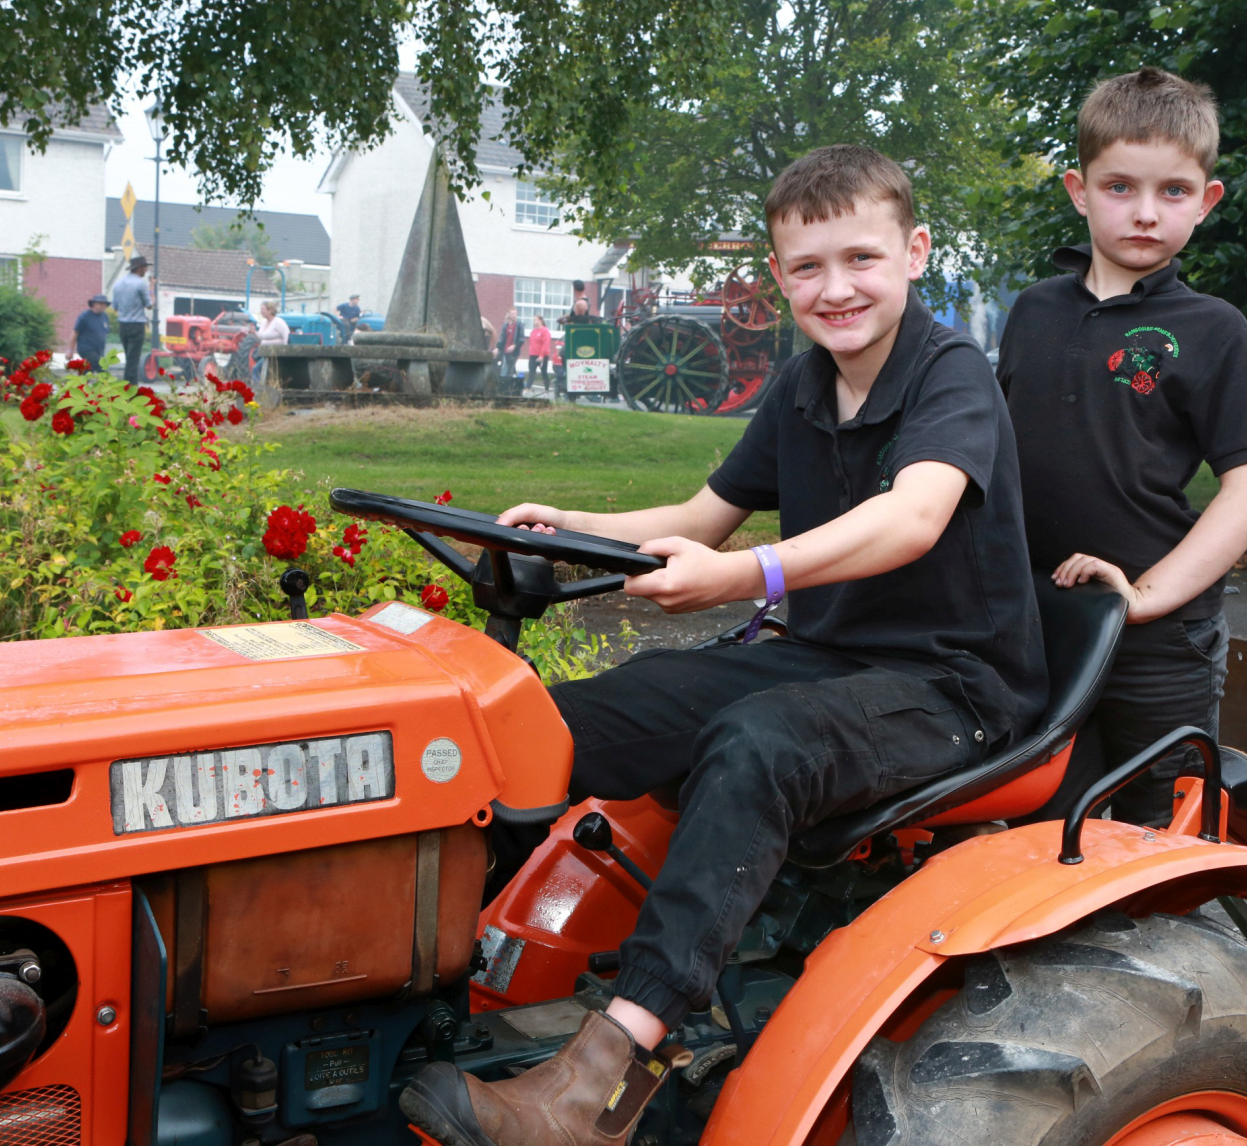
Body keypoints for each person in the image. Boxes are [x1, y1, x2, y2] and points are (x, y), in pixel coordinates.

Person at [400, 144, 1048, 1146]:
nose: (835, 289)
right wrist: (568, 527)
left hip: (952, 686)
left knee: (759, 743)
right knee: (556, 719)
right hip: (824, 660)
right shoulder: (804, 383)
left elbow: (913, 518)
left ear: (914, 252)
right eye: (807, 267)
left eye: (861, 258)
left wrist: (749, 576)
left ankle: (604, 1083)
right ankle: (421, 983)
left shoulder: (948, 371)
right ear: (778, 275)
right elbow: (702, 518)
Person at [996, 67, 1247, 825]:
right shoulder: (1033, 310)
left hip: (1160, 643)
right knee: (1040, 832)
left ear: (1206, 200)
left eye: (1174, 192)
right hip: (1039, 622)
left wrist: (1147, 597)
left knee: (1156, 837)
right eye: (1119, 187)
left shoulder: (1215, 329)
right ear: (1079, 190)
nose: (1146, 213)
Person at [111, 255, 155, 383]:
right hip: (136, 324)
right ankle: (130, 388)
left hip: (123, 325)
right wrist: (152, 288)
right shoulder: (140, 284)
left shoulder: (118, 284)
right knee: (133, 360)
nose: (146, 270)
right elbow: (150, 305)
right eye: (145, 267)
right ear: (139, 268)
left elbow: (115, 307)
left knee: (129, 358)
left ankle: (127, 386)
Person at [254, 301, 291, 389]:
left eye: (263, 309)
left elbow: (287, 336)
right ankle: (260, 389)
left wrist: (285, 353)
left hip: (275, 354)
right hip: (265, 354)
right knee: (258, 370)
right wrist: (253, 332)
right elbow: (261, 336)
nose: (261, 311)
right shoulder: (263, 322)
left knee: (256, 369)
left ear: (270, 310)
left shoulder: (278, 322)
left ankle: (259, 389)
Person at [69, 294, 110, 369]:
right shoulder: (85, 316)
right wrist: (70, 351)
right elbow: (75, 333)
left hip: (99, 350)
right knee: (102, 367)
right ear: (93, 304)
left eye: (104, 304)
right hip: (86, 349)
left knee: (88, 370)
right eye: (100, 303)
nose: (102, 306)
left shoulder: (104, 316)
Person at [496, 308, 524, 393]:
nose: (514, 315)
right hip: (505, 351)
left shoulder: (519, 325)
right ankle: (502, 388)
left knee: (510, 369)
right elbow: (502, 338)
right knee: (504, 369)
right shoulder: (505, 325)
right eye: (512, 313)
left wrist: (514, 346)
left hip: (514, 352)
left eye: (515, 314)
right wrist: (497, 348)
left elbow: (521, 339)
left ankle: (509, 390)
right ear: (509, 314)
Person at [523, 314, 553, 390]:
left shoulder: (545, 331)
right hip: (533, 355)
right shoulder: (533, 331)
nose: (534, 321)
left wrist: (541, 355)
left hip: (542, 356)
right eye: (534, 320)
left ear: (540, 320)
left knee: (544, 373)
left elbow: (546, 344)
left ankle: (547, 389)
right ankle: (527, 388)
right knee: (531, 373)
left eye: (536, 319)